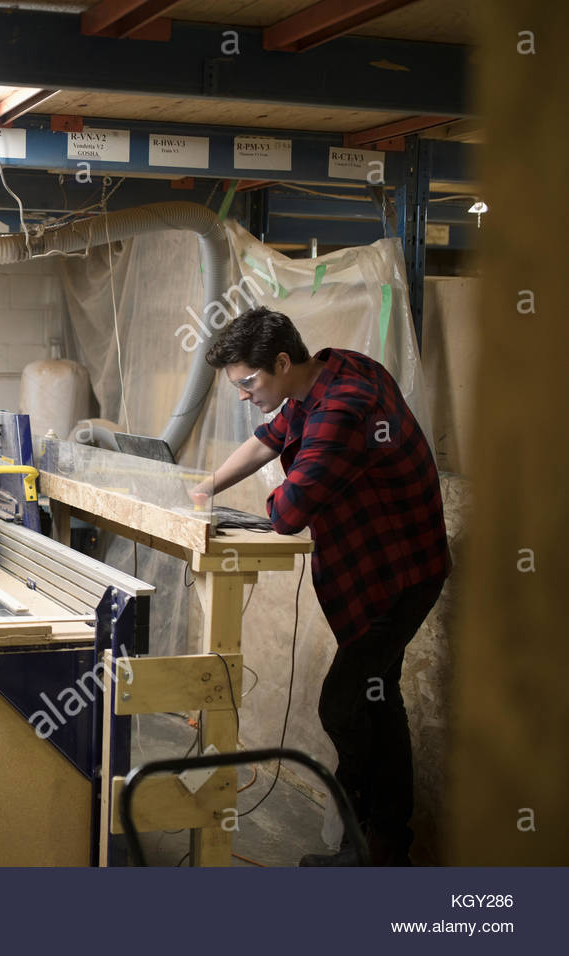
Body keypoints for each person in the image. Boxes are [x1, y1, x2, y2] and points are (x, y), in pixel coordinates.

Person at [191, 307, 450, 866]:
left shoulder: (342, 406)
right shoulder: (325, 374)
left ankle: (367, 837)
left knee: (345, 704)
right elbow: (269, 438)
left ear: (282, 362)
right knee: (378, 699)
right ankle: (384, 847)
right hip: (383, 561)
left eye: (249, 382)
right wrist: (202, 489)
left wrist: (247, 509)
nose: (243, 394)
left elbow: (288, 512)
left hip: (399, 573)